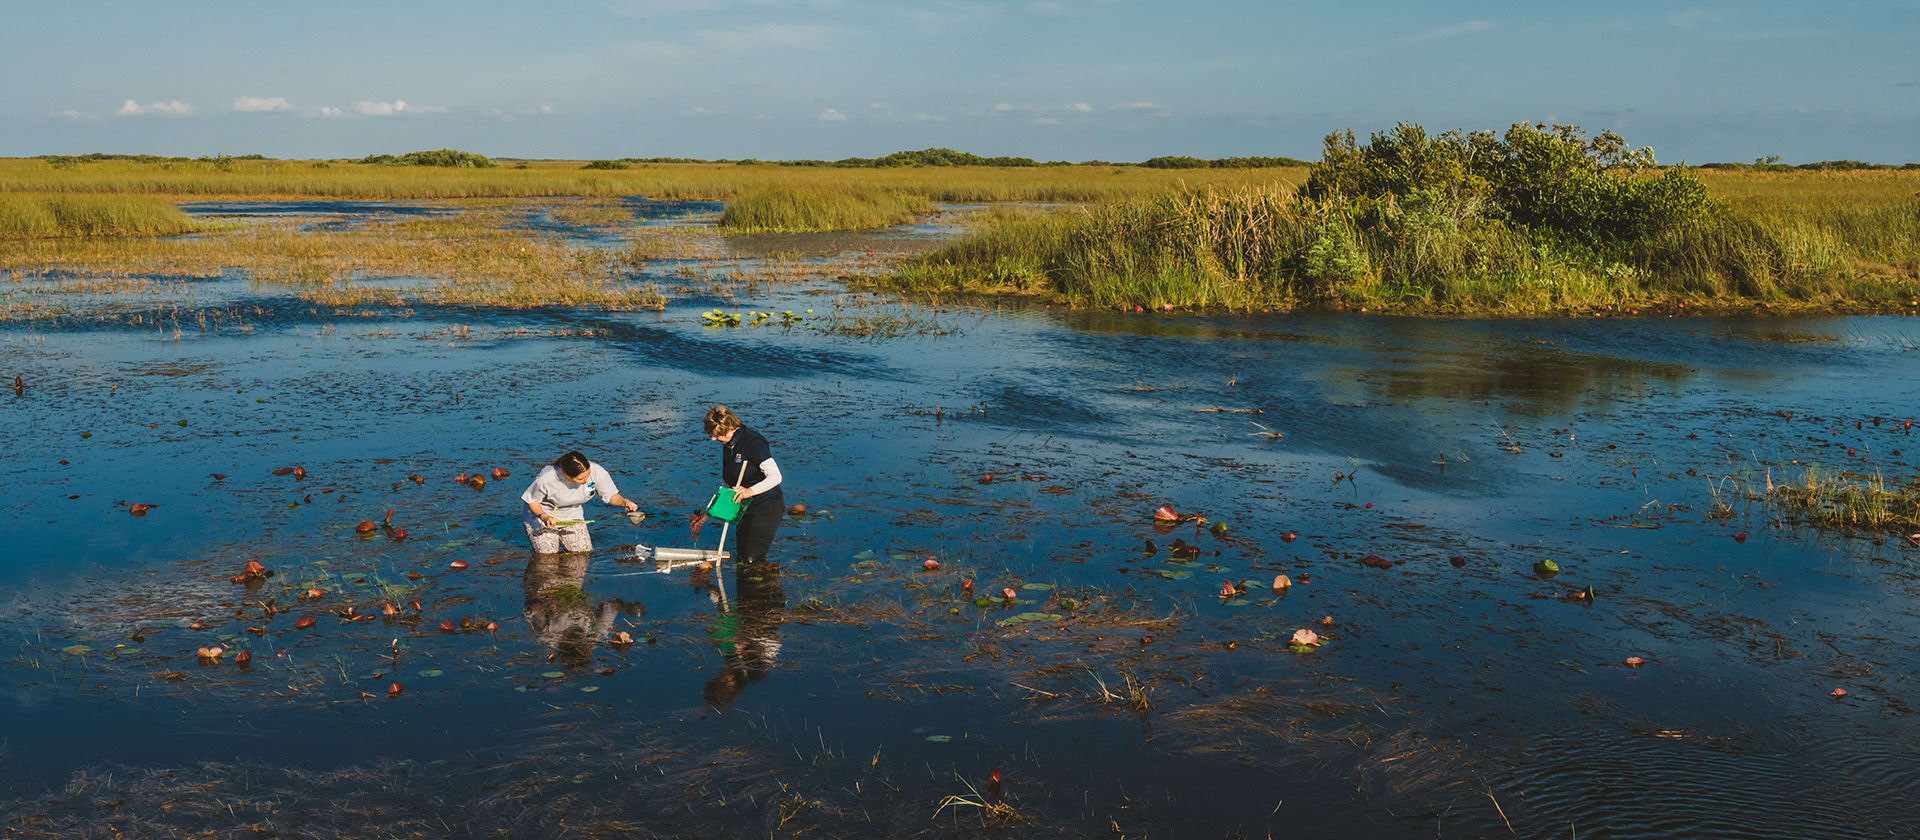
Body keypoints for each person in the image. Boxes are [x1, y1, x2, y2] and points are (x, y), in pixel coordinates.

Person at [698, 406, 784, 563]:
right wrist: (708, 513)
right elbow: (728, 484)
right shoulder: (729, 444)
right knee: (742, 556)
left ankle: (769, 576)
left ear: (731, 428)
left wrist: (749, 491)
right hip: (743, 506)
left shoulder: (753, 442)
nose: (713, 439)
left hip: (765, 506)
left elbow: (775, 476)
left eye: (717, 434)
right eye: (712, 434)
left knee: (751, 560)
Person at [520, 450, 639, 554]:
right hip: (542, 517)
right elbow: (532, 501)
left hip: (572, 517)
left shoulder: (597, 472)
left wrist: (625, 502)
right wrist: (544, 517)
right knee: (548, 557)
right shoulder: (547, 478)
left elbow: (611, 496)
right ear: (566, 475)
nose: (587, 480)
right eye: (581, 479)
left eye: (588, 475)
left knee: (583, 554)